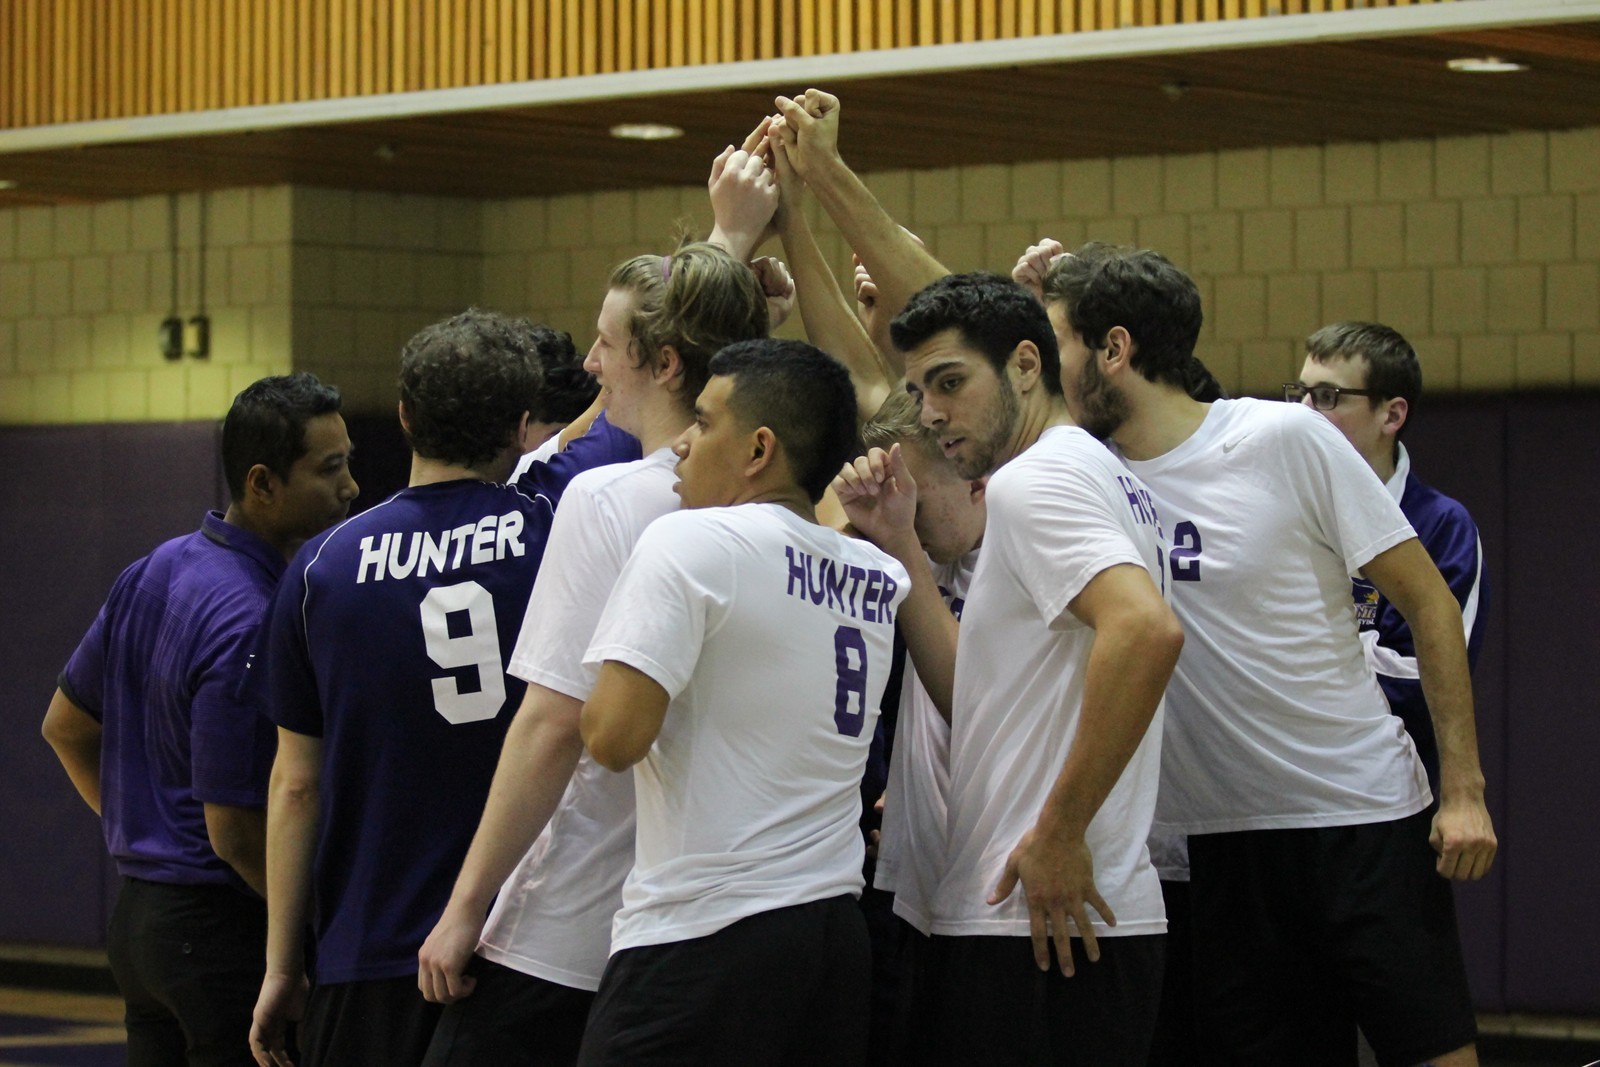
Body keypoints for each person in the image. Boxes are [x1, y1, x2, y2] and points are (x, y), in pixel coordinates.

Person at [1037, 243, 1497, 1067]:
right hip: (1217, 848)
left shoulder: (1282, 436)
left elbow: (1428, 601)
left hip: (1358, 818)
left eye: (1059, 345)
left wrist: (1463, 789)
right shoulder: (1087, 475)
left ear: (1113, 349)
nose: (1047, 371)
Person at [416, 242, 771, 1066]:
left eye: (607, 341)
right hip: (723, 920)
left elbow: (552, 723)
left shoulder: (610, 497)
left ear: (666, 362)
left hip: (575, 916)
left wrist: (467, 904)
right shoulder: (795, 515)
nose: (590, 361)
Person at [836, 271, 1182, 1067]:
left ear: (1027, 364)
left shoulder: (1037, 479)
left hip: (1039, 918)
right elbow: (980, 702)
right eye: (921, 389)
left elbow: (1147, 632)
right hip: (1047, 917)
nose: (931, 412)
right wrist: (905, 551)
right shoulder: (1095, 471)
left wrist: (1059, 831)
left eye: (951, 383)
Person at [248, 311, 599, 1067]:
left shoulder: (321, 569)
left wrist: (282, 964)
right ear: (518, 424)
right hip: (526, 943)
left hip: (367, 946)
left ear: (404, 417)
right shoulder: (555, 539)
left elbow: (295, 786)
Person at [573, 338, 908, 1065]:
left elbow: (611, 738)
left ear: (759, 448)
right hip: (832, 936)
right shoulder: (878, 573)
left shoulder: (689, 543)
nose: (683, 446)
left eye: (702, 421)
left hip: (704, 932)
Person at [42, 373, 358, 1067]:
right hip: (220, 930)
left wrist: (145, 832)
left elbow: (64, 724)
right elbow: (234, 828)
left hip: (140, 925)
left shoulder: (153, 568)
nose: (352, 488)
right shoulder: (251, 616)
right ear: (262, 482)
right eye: (329, 468)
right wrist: (313, 923)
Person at [1289, 321, 1486, 794]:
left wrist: (1298, 657)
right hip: (1275, 796)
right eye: (1299, 393)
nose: (1302, 412)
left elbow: (1423, 680)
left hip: (1388, 799)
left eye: (1327, 396)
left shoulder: (1440, 525)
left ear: (1391, 415)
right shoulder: (1279, 510)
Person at [853, 389, 986, 1063]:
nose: (906, 512)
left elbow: (972, 702)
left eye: (919, 496)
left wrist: (900, 537)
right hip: (922, 887)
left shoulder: (1023, 549)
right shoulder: (926, 545)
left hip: (1000, 901)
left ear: (977, 475)